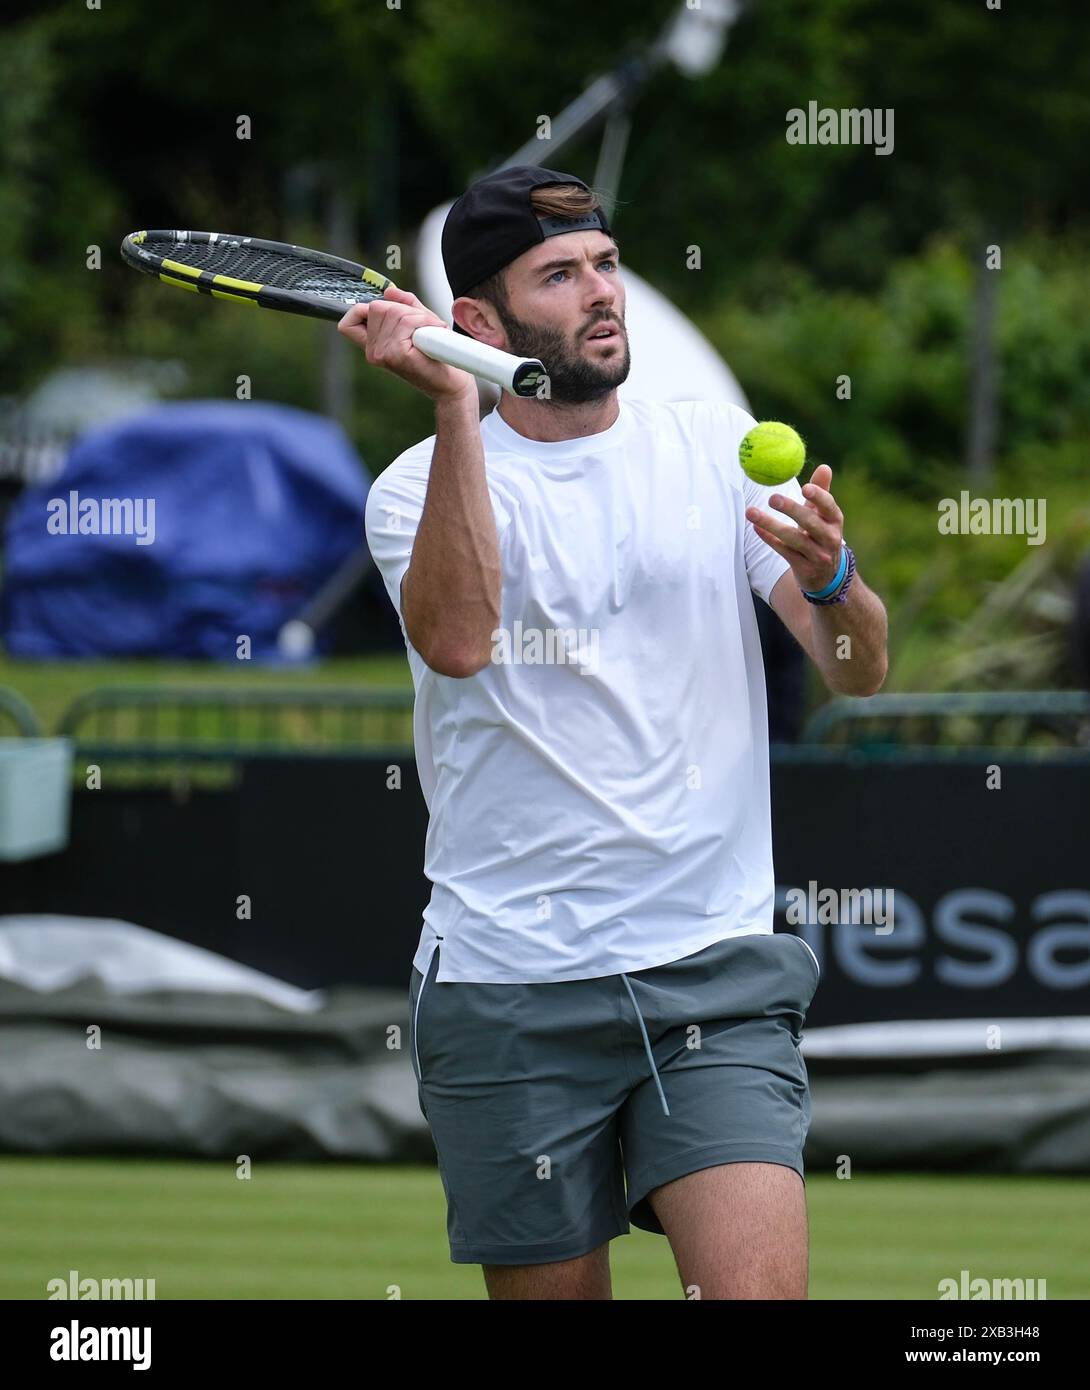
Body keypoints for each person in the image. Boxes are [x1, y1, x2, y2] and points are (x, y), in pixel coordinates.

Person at [342, 166, 888, 1300]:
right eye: (559, 274)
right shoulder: (411, 490)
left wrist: (832, 578)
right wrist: (453, 408)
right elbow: (456, 637)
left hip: (713, 973)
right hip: (510, 990)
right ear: (477, 325)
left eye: (604, 263)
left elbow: (860, 671)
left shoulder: (716, 446)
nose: (601, 293)